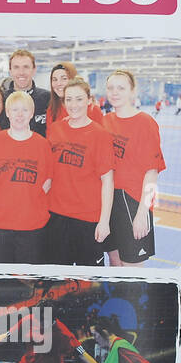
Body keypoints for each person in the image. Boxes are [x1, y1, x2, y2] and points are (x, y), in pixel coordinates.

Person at [46, 78, 115, 266]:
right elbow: (49, 174)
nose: (73, 105)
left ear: (89, 101)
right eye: (68, 99)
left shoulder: (100, 135)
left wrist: (104, 221)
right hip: (56, 216)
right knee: (57, 282)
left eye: (78, 99)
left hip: (87, 219)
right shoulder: (55, 129)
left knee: (89, 284)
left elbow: (108, 181)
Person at [0, 90, 53, 264]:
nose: (19, 115)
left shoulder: (42, 144)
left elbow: (46, 183)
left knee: (27, 284)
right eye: (15, 110)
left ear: (32, 113)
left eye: (24, 110)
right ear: (7, 112)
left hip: (32, 225)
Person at [101, 70, 166, 267]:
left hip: (133, 203)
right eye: (111, 88)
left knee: (132, 268)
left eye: (121, 88)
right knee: (114, 261)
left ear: (132, 91)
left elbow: (152, 173)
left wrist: (142, 212)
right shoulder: (105, 121)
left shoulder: (145, 123)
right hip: (109, 200)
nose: (115, 92)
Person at [0, 49, 50, 136]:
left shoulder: (47, 98)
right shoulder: (1, 99)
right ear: (10, 71)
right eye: (16, 67)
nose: (21, 72)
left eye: (26, 67)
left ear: (34, 70)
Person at [46, 61, 103, 126]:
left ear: (73, 80)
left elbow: (101, 134)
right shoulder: (52, 110)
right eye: (54, 79)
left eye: (64, 79)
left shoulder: (92, 109)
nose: (58, 83)